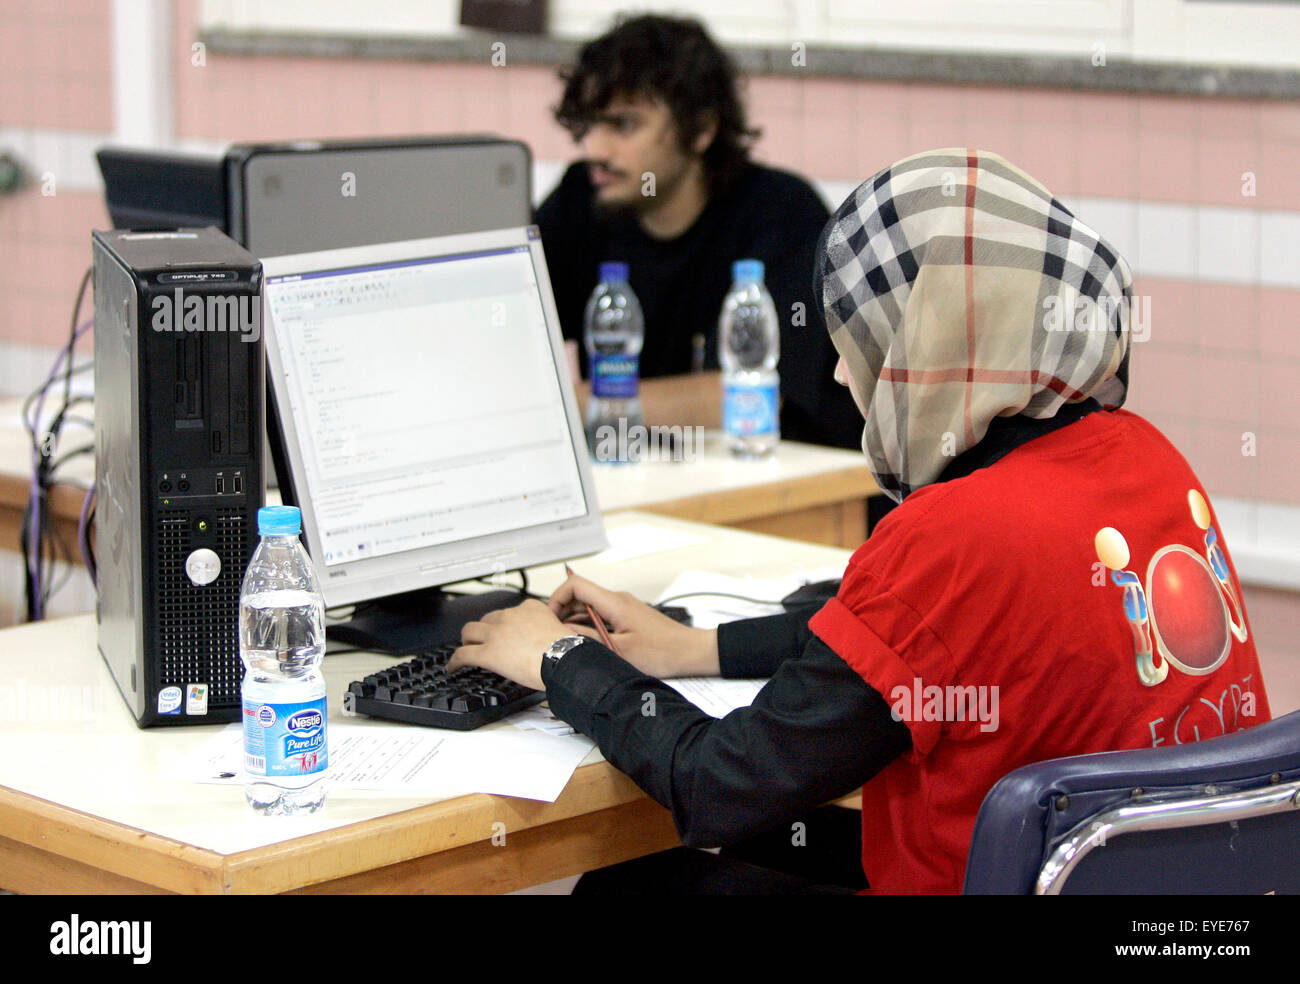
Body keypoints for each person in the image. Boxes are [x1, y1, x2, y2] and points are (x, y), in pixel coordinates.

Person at [453, 149, 1273, 894]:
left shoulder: (952, 535)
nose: (843, 373)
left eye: (865, 338)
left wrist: (559, 660)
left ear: (934, 339)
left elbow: (721, 786)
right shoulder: (1145, 459)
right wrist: (697, 649)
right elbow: (908, 638)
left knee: (635, 885)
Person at [535, 13, 862, 450]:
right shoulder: (581, 198)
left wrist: (563, 407)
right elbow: (508, 326)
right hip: (638, 467)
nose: (594, 148)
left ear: (702, 129)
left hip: (770, 483)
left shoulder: (780, 210)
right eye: (587, 125)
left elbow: (747, 397)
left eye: (623, 125)